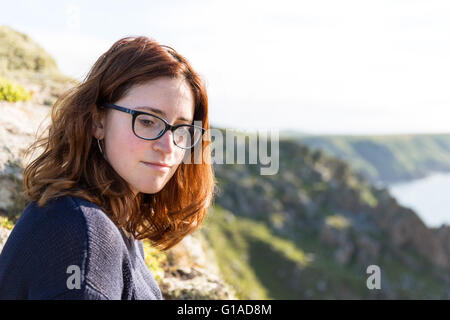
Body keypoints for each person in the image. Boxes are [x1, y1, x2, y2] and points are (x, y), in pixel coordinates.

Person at [0, 36, 216, 299]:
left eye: (181, 129)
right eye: (148, 121)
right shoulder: (83, 235)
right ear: (98, 121)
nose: (168, 147)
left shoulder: (111, 221)